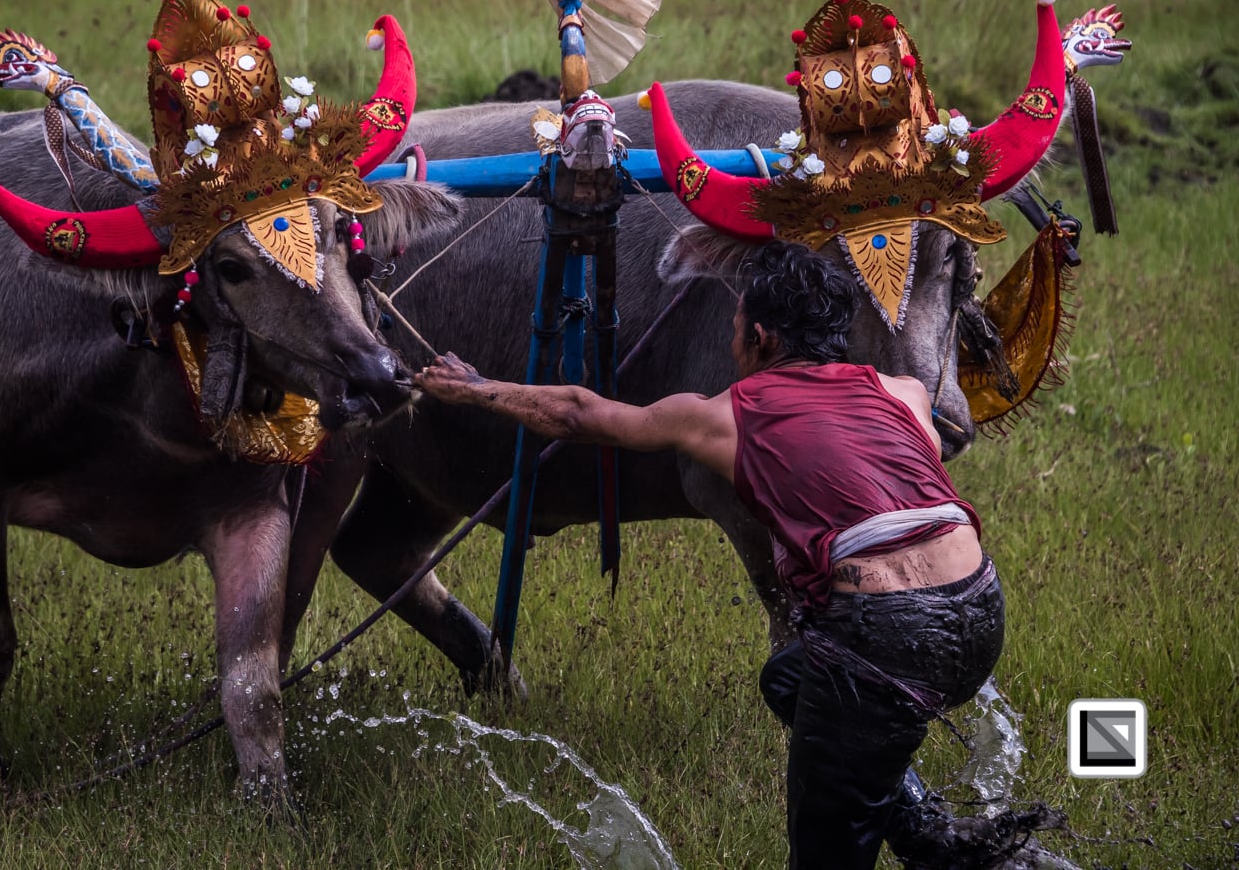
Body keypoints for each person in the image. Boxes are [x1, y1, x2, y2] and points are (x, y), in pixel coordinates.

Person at [415, 240, 1006, 869]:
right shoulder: (906, 393)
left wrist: (474, 388)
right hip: (979, 613)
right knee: (788, 679)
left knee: (826, 854)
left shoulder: (726, 416)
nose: (730, 344)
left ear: (761, 338)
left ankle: (958, 853)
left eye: (733, 328)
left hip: (884, 637)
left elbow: (578, 411)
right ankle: (930, 836)